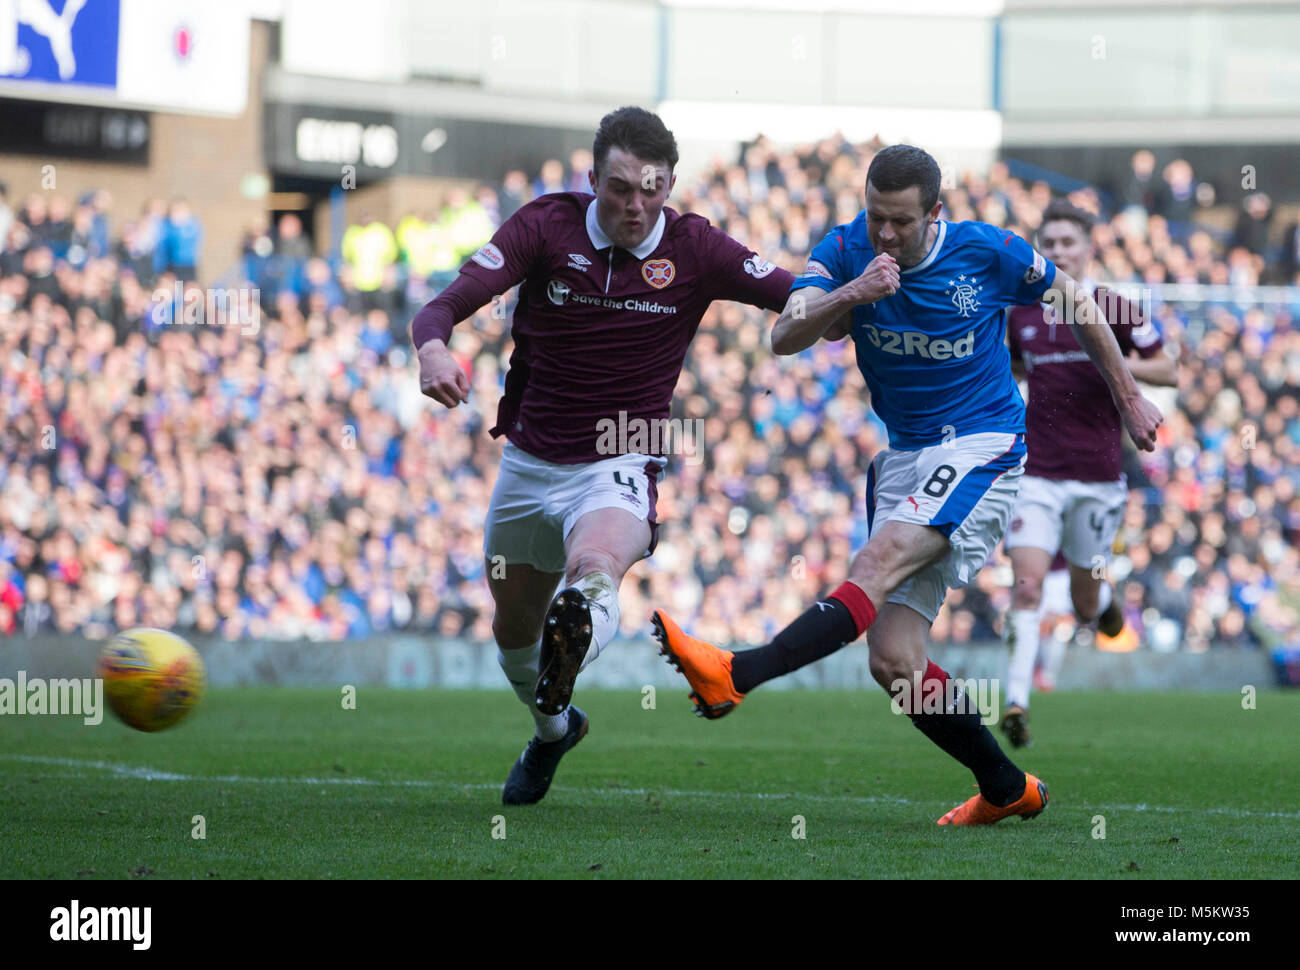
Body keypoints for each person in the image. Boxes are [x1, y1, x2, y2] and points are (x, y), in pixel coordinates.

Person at [652, 144, 1163, 826]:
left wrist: (1129, 398)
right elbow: (785, 336)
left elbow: (1080, 305)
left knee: (877, 560)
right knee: (893, 661)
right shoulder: (841, 250)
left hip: (983, 446)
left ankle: (734, 675)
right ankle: (1009, 788)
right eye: (875, 217)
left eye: (899, 221)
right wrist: (852, 292)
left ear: (934, 214)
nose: (884, 234)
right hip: (904, 457)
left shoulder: (988, 252)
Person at [411, 106, 801, 805]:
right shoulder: (545, 226)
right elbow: (440, 308)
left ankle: (582, 621)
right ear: (594, 179)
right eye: (620, 187)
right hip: (530, 461)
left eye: (652, 189)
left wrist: (860, 292)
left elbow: (798, 296)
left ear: (669, 184)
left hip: (622, 454)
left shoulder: (697, 247)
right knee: (511, 632)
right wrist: (434, 348)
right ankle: (555, 728)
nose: (635, 204)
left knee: (595, 570)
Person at [1000, 199, 1177, 747]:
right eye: (1047, 244)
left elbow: (1168, 369)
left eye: (1067, 243)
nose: (1057, 252)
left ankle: (1103, 607)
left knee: (1081, 600)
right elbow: (1009, 368)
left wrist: (1112, 364)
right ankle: (1015, 702)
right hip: (1037, 474)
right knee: (1027, 586)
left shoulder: (1118, 309)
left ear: (1087, 248)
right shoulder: (1021, 313)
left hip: (1100, 478)